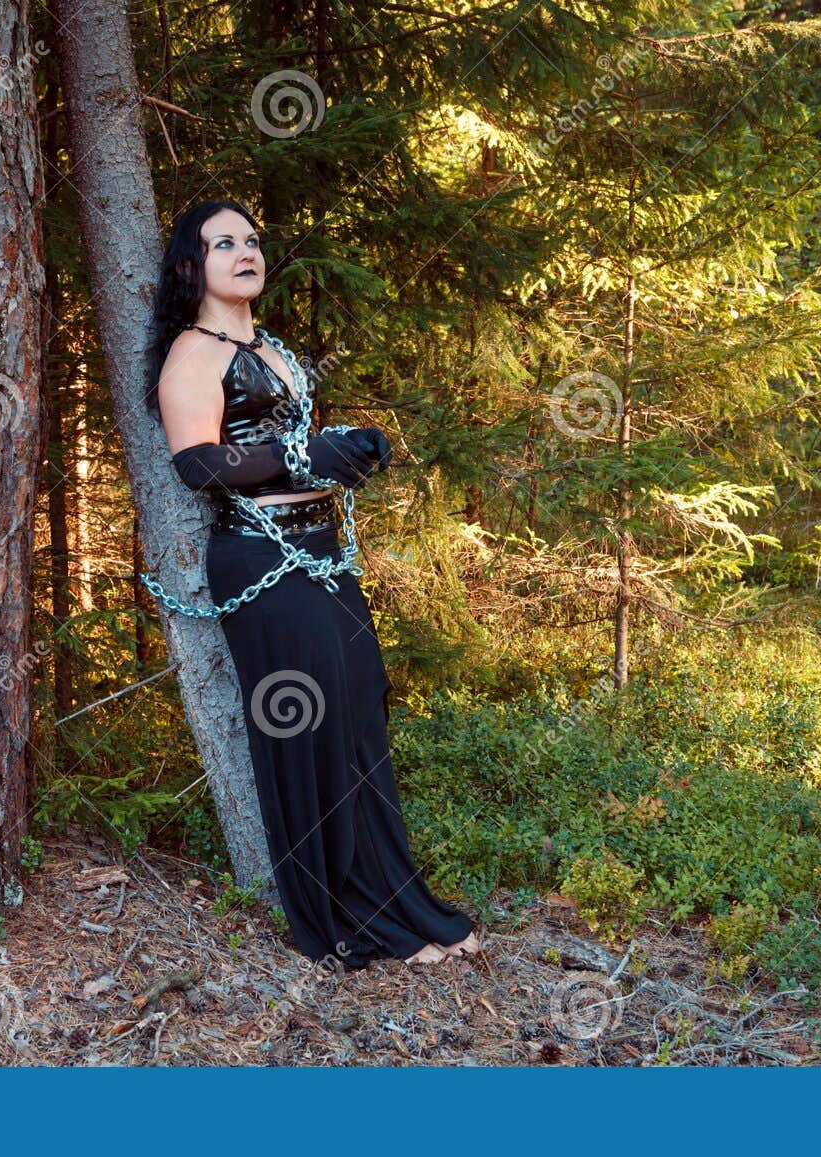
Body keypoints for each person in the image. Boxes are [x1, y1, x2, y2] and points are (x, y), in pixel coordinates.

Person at [144, 198, 481, 969]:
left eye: (253, 240)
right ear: (192, 267)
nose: (245, 251)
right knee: (310, 726)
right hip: (259, 563)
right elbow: (197, 463)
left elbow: (293, 444)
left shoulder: (274, 349)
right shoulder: (192, 354)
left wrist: (347, 451)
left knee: (360, 709)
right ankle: (342, 919)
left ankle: (399, 899)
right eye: (223, 242)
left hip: (322, 551)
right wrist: (306, 459)